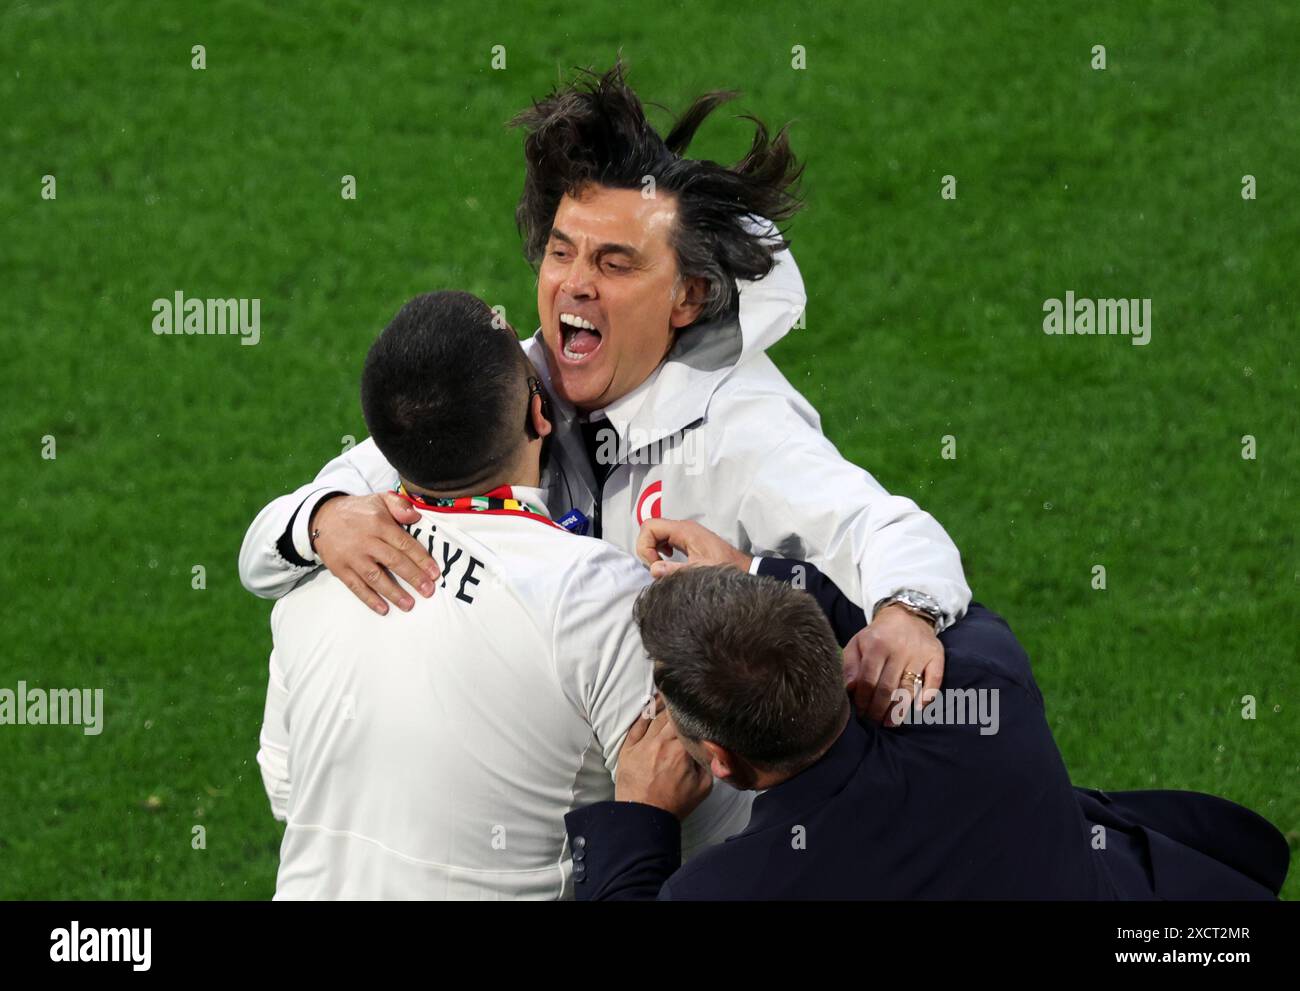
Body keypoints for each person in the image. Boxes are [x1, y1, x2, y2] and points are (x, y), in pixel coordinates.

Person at [238, 61, 970, 714]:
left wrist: (906, 613)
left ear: (687, 298)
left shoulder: (741, 423)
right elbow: (262, 551)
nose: (574, 285)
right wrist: (323, 519)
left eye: (615, 264)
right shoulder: (505, 386)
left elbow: (884, 528)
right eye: (561, 252)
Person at [255, 292, 751, 899]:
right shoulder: (600, 596)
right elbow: (712, 830)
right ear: (541, 415)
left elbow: (286, 787)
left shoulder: (313, 576)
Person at [563, 563, 1290, 900]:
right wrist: (764, 575)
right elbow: (957, 621)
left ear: (720, 759)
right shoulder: (983, 699)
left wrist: (641, 816)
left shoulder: (729, 888)